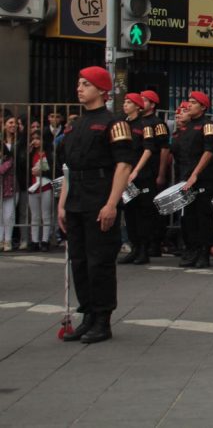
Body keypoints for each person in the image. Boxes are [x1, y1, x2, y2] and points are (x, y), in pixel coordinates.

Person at [57, 67, 133, 344]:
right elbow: (68, 168)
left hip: (99, 198)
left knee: (99, 262)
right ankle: (87, 315)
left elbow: (123, 166)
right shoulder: (75, 125)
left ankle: (102, 320)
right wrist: (62, 204)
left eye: (86, 84)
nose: (79, 88)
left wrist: (112, 204)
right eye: (78, 83)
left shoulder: (114, 123)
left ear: (102, 90)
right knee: (79, 261)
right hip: (76, 199)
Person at [172, 91, 213, 268]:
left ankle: (204, 253)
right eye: (189, 102)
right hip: (185, 178)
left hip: (202, 179)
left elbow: (209, 151)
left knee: (203, 217)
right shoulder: (185, 128)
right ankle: (192, 250)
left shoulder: (208, 126)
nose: (189, 105)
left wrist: (195, 174)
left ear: (203, 107)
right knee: (188, 217)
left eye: (193, 102)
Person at [119, 93, 159, 265]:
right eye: (124, 102)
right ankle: (134, 248)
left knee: (143, 214)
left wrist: (136, 171)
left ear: (137, 106)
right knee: (130, 213)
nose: (125, 105)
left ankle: (143, 250)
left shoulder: (145, 125)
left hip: (141, 176)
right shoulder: (123, 125)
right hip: (125, 176)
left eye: (129, 102)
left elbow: (148, 149)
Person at [140, 90, 170, 257]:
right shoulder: (137, 122)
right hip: (139, 173)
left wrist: (161, 173)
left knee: (152, 210)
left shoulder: (157, 123)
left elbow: (164, 149)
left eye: (144, 100)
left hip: (152, 171)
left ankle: (155, 243)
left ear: (152, 104)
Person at [1, 115, 26, 251]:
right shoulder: (1, 141)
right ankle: (0, 240)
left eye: (15, 123)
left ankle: (8, 241)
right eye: (10, 122)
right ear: (4, 125)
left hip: (15, 181)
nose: (13, 125)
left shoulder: (22, 142)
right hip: (1, 181)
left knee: (10, 214)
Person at [27, 133, 53, 251]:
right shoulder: (30, 153)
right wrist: (27, 151)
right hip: (33, 187)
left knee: (46, 215)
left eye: (38, 139)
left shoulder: (49, 153)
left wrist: (42, 172)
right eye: (34, 139)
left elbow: (53, 169)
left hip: (46, 186)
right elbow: (23, 167)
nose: (36, 141)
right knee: (35, 216)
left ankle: (45, 241)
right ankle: (34, 241)